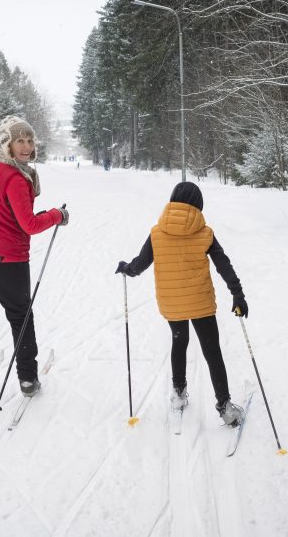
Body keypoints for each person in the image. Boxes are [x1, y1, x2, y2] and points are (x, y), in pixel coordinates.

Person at [115, 182, 248, 425]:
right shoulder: (205, 233)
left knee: (180, 342)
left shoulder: (157, 232)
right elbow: (223, 265)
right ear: (198, 204)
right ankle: (225, 407)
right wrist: (237, 294)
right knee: (212, 351)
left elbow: (141, 264)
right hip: (201, 303)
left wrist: (127, 268)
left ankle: (178, 394)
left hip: (172, 303)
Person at [0, 116, 69, 397]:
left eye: (30, 140)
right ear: (6, 143)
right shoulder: (16, 178)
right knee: (21, 318)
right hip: (7, 260)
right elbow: (30, 225)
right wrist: (56, 215)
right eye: (19, 140)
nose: (26, 146)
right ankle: (27, 379)